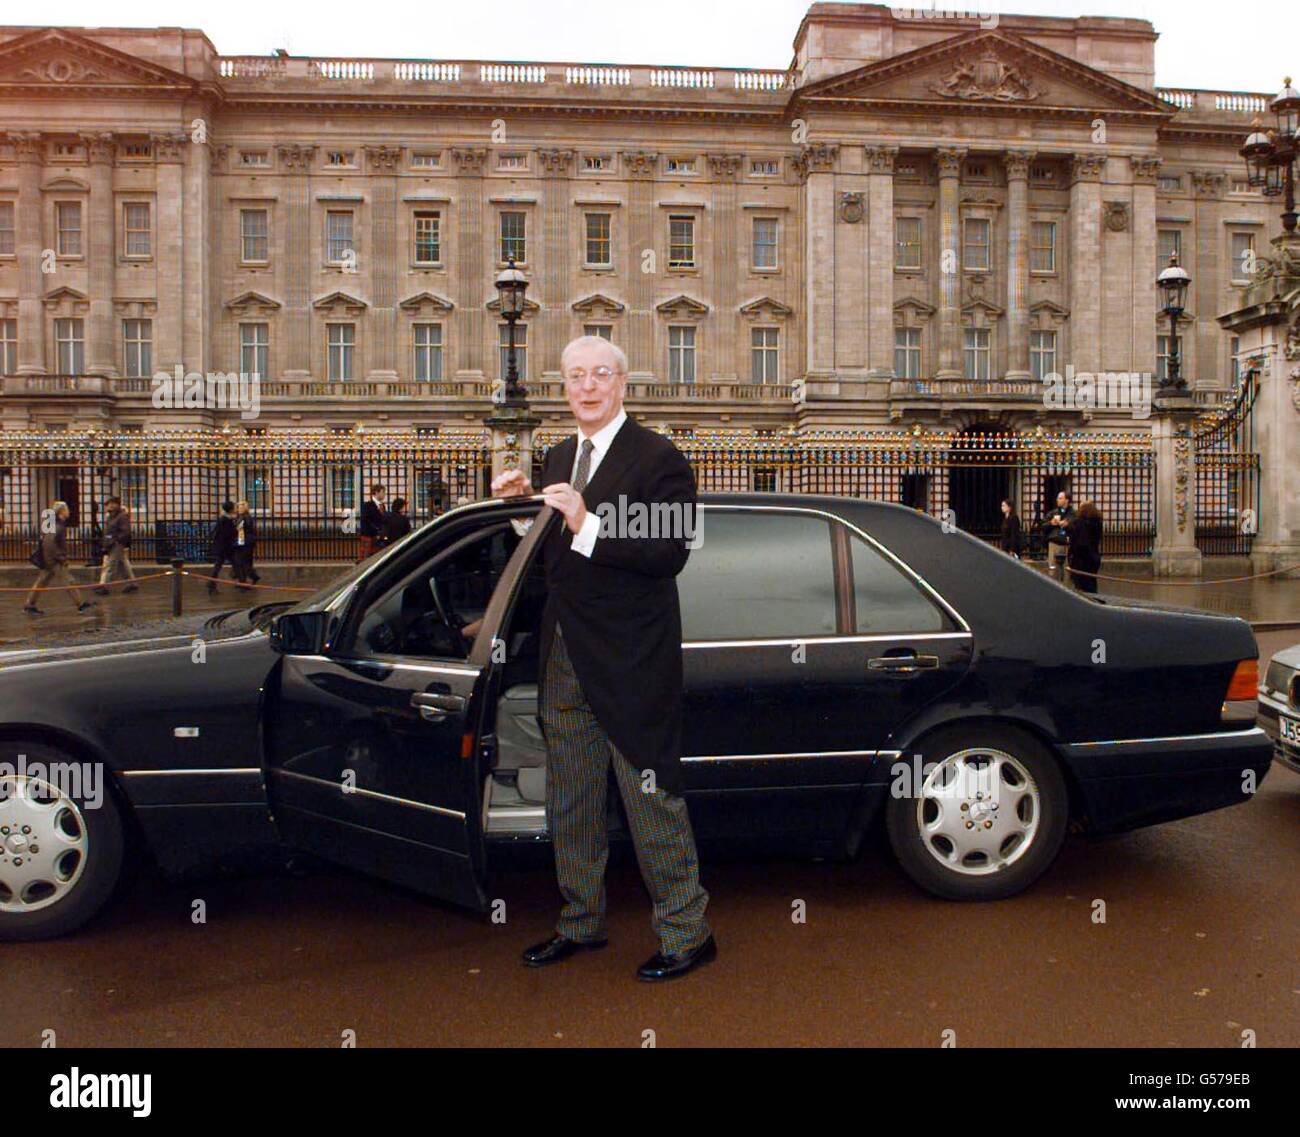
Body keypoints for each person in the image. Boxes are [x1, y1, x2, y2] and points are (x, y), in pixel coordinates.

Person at [491, 334, 714, 983]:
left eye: (598, 375)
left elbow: (671, 548)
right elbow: (555, 561)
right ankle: (581, 920)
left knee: (651, 796)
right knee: (574, 796)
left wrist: (589, 521)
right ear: (564, 388)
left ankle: (687, 931)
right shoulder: (562, 453)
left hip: (631, 659)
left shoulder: (658, 457)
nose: (586, 387)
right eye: (574, 377)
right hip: (565, 652)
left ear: (621, 383)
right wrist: (518, 515)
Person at [24, 500, 94, 616]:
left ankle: (29, 605)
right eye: (67, 509)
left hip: (49, 559)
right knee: (69, 582)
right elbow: (49, 543)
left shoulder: (54, 523)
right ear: (62, 511)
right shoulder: (57, 525)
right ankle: (81, 605)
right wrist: (61, 558)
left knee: (41, 583)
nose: (69, 512)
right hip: (55, 561)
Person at [94, 497, 138, 595]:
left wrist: (116, 540)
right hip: (111, 543)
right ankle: (132, 583)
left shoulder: (121, 516)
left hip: (117, 543)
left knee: (111, 565)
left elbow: (125, 531)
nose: (108, 506)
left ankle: (105, 586)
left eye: (110, 504)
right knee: (122, 565)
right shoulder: (110, 517)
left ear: (116, 505)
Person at [1067, 501, 1104, 594]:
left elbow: (1079, 542)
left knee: (1081, 586)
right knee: (1091, 582)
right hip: (1093, 556)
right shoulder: (1097, 522)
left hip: (1081, 559)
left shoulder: (1080, 523)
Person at [207, 501, 237, 594]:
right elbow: (227, 534)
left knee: (233, 564)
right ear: (231, 509)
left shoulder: (224, 519)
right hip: (225, 548)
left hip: (224, 547)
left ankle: (212, 583)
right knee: (220, 566)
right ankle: (211, 583)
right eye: (234, 507)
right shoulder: (225, 520)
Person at [1045, 490, 1075, 582]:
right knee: (1052, 569)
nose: (1057, 500)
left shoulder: (1072, 513)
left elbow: (1076, 526)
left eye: (1060, 498)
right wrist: (1051, 523)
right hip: (1054, 542)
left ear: (1067, 500)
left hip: (1067, 543)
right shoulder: (1053, 513)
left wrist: (1068, 524)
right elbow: (1043, 525)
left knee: (1066, 570)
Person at [231, 500, 259, 589]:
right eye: (238, 507)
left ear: (245, 508)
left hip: (244, 542)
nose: (239, 509)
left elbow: (241, 529)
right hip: (242, 542)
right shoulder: (241, 517)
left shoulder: (245, 518)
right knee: (241, 563)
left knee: (243, 563)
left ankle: (245, 581)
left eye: (241, 507)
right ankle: (243, 580)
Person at [358, 484, 387, 559]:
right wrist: (377, 529)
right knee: (365, 558)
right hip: (369, 536)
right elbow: (366, 520)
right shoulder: (368, 505)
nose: (384, 494)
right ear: (376, 492)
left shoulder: (382, 506)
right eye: (383, 492)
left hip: (378, 537)